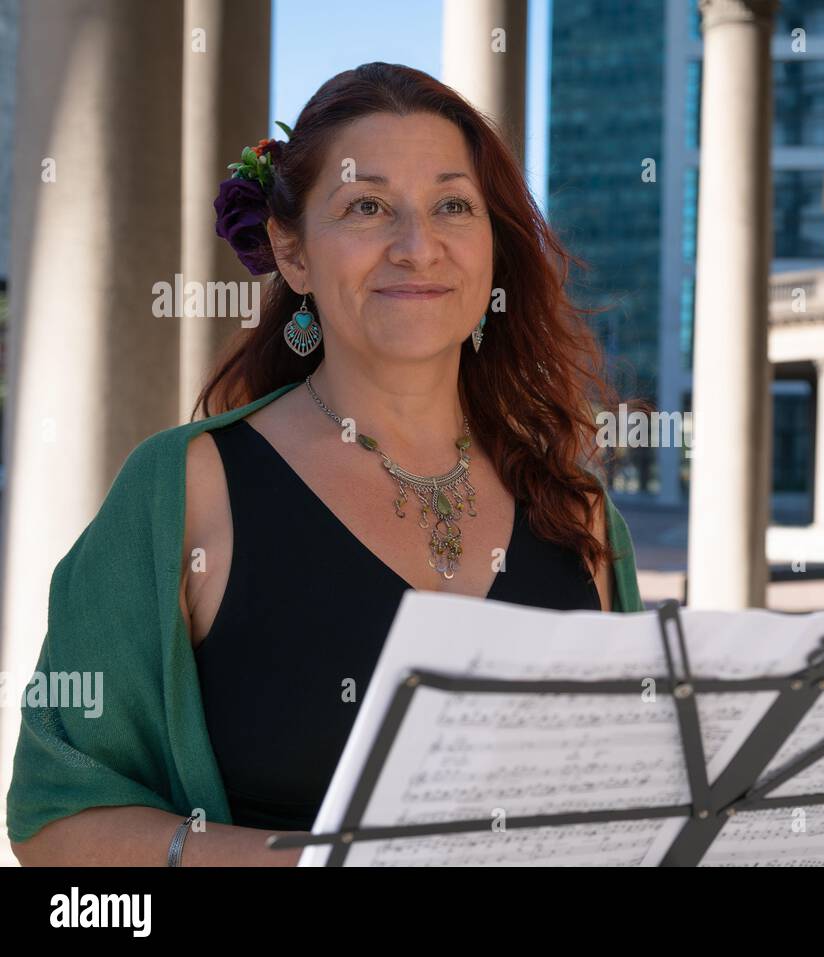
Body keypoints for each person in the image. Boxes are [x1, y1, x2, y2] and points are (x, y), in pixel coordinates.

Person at [7, 62, 643, 866]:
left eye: (452, 204)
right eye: (367, 206)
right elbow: (54, 819)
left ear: (492, 251)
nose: (418, 247)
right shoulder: (188, 491)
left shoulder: (580, 511)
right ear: (293, 252)